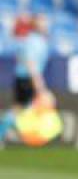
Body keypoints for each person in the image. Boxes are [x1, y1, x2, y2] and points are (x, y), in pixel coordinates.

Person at [0, 15, 49, 144]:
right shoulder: (35, 41)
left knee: (21, 108)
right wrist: (39, 83)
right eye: (43, 22)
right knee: (24, 108)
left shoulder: (31, 40)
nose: (46, 25)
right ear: (37, 26)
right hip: (27, 79)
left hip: (22, 77)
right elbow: (31, 63)